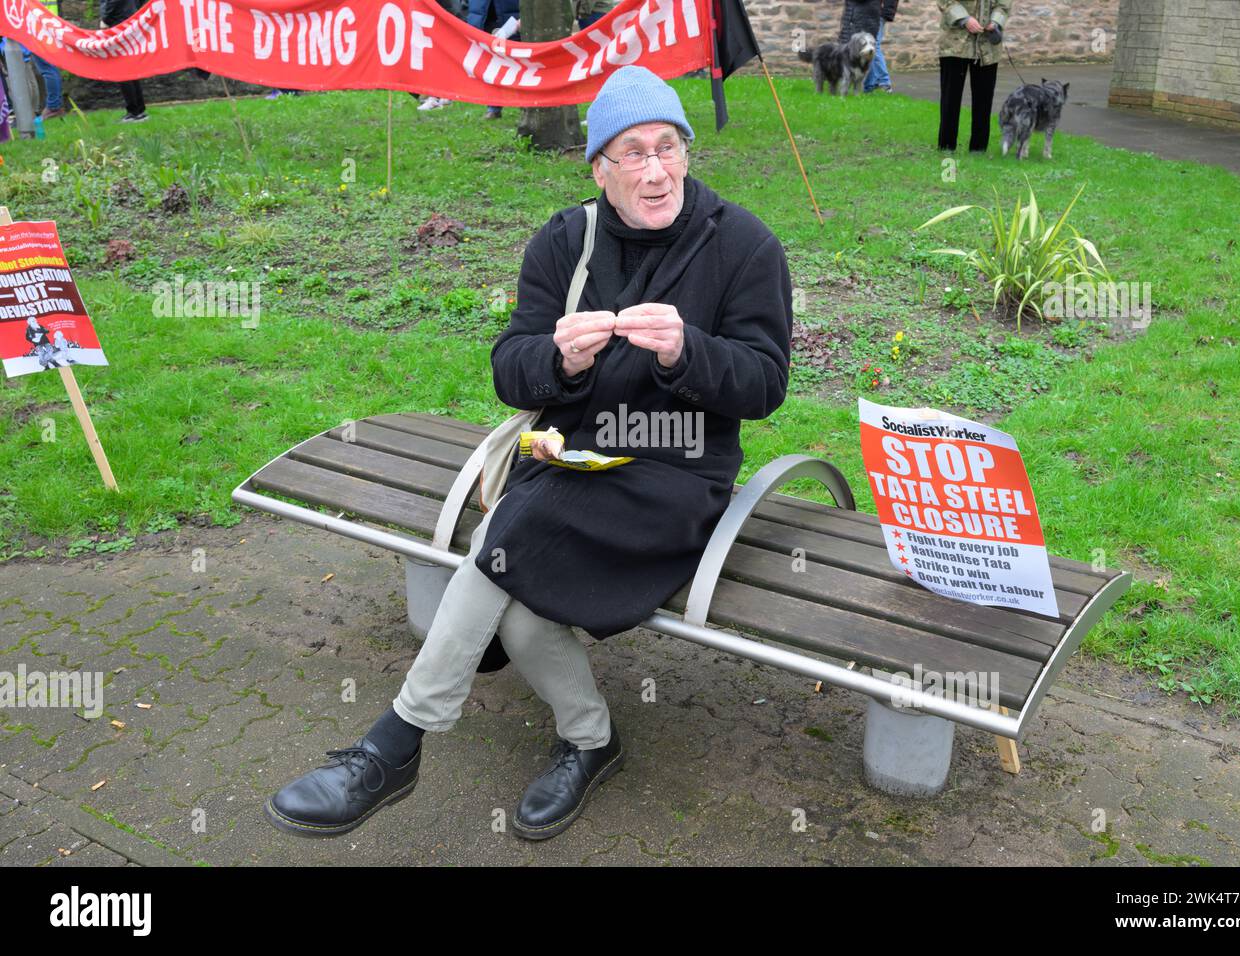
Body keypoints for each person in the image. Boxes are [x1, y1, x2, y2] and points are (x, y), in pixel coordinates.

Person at [265, 64, 794, 842]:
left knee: (503, 545)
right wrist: (561, 360)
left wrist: (689, 353)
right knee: (513, 595)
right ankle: (590, 739)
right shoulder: (565, 239)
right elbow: (510, 365)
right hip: (571, 454)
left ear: (686, 151)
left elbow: (765, 382)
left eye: (668, 148)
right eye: (633, 154)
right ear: (600, 169)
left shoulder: (744, 245)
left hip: (678, 467)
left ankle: (395, 744)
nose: (656, 172)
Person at [936, 0, 1012, 152]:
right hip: (955, 44)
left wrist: (995, 21)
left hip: (987, 47)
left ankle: (978, 149)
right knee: (950, 100)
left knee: (984, 101)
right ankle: (946, 147)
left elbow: (1004, 4)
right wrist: (965, 19)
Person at [468, 0, 519, 118]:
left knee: (517, 63)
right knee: (490, 63)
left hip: (510, 16)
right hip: (483, 17)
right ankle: (493, 106)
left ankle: (527, 105)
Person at [100, 0, 148, 122]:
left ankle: (133, 112)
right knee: (130, 67)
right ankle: (139, 110)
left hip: (118, 21)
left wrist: (105, 19)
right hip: (129, 19)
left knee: (121, 68)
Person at [864, 0, 897, 93]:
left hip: (878, 12)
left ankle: (884, 82)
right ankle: (870, 84)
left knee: (874, 46)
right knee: (871, 46)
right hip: (878, 11)